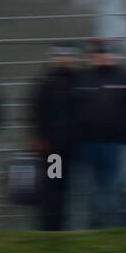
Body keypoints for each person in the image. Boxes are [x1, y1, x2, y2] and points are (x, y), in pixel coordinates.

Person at [77, 37, 126, 229]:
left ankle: (119, 225)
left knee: (114, 186)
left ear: (115, 56)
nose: (103, 57)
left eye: (106, 53)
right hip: (88, 142)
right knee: (92, 187)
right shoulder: (84, 79)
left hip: (115, 142)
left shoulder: (125, 79)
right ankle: (97, 224)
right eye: (98, 54)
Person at [29, 43, 82, 231]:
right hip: (54, 149)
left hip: (79, 147)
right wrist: (40, 138)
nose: (64, 59)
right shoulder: (44, 82)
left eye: (68, 55)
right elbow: (35, 113)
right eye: (59, 56)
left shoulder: (83, 81)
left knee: (81, 189)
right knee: (54, 189)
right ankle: (52, 228)